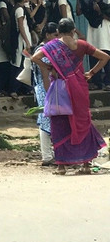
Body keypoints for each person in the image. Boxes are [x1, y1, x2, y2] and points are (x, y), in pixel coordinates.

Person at [31, 18, 109, 175]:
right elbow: (105, 57)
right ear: (73, 30)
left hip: (60, 90)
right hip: (79, 88)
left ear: (58, 32)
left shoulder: (51, 46)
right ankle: (86, 164)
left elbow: (34, 58)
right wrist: (91, 73)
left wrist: (49, 67)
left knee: (60, 124)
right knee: (82, 122)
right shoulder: (81, 45)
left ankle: (61, 166)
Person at [31, 21, 58, 167]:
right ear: (47, 35)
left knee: (46, 120)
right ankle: (47, 156)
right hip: (44, 88)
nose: (57, 38)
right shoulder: (43, 50)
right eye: (55, 35)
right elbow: (46, 73)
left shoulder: (44, 48)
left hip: (43, 88)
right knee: (46, 120)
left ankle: (49, 154)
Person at [80, 0, 110, 88]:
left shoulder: (107, 0)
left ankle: (108, 81)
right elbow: (80, 12)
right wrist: (80, 0)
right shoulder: (90, 1)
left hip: (104, 30)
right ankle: (96, 81)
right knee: (93, 54)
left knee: (106, 53)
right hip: (93, 30)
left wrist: (99, 11)